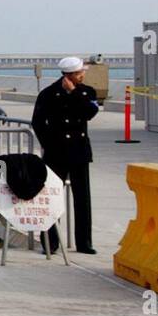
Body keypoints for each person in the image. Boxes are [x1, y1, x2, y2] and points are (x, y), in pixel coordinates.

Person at [31, 56, 100, 254]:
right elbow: (37, 122)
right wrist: (49, 145)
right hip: (56, 153)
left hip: (79, 152)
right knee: (51, 198)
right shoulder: (48, 94)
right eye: (79, 73)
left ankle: (84, 243)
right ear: (69, 75)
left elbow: (90, 113)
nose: (82, 75)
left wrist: (74, 92)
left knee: (82, 199)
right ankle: (50, 242)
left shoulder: (87, 92)